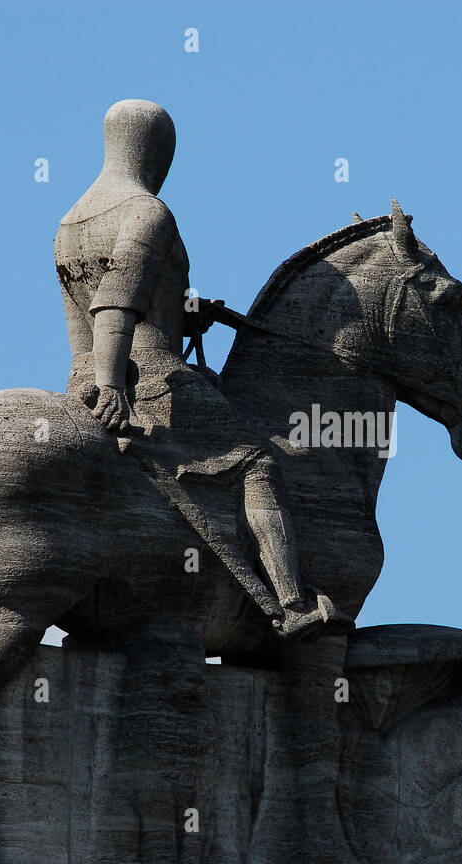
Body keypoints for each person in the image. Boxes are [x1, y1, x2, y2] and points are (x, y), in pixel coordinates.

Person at [54, 99, 344, 641]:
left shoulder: (70, 219)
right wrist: (115, 386)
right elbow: (116, 303)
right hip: (148, 383)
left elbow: (107, 300)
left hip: (80, 380)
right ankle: (291, 602)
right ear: (158, 151)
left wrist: (187, 315)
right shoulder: (147, 213)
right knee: (258, 463)